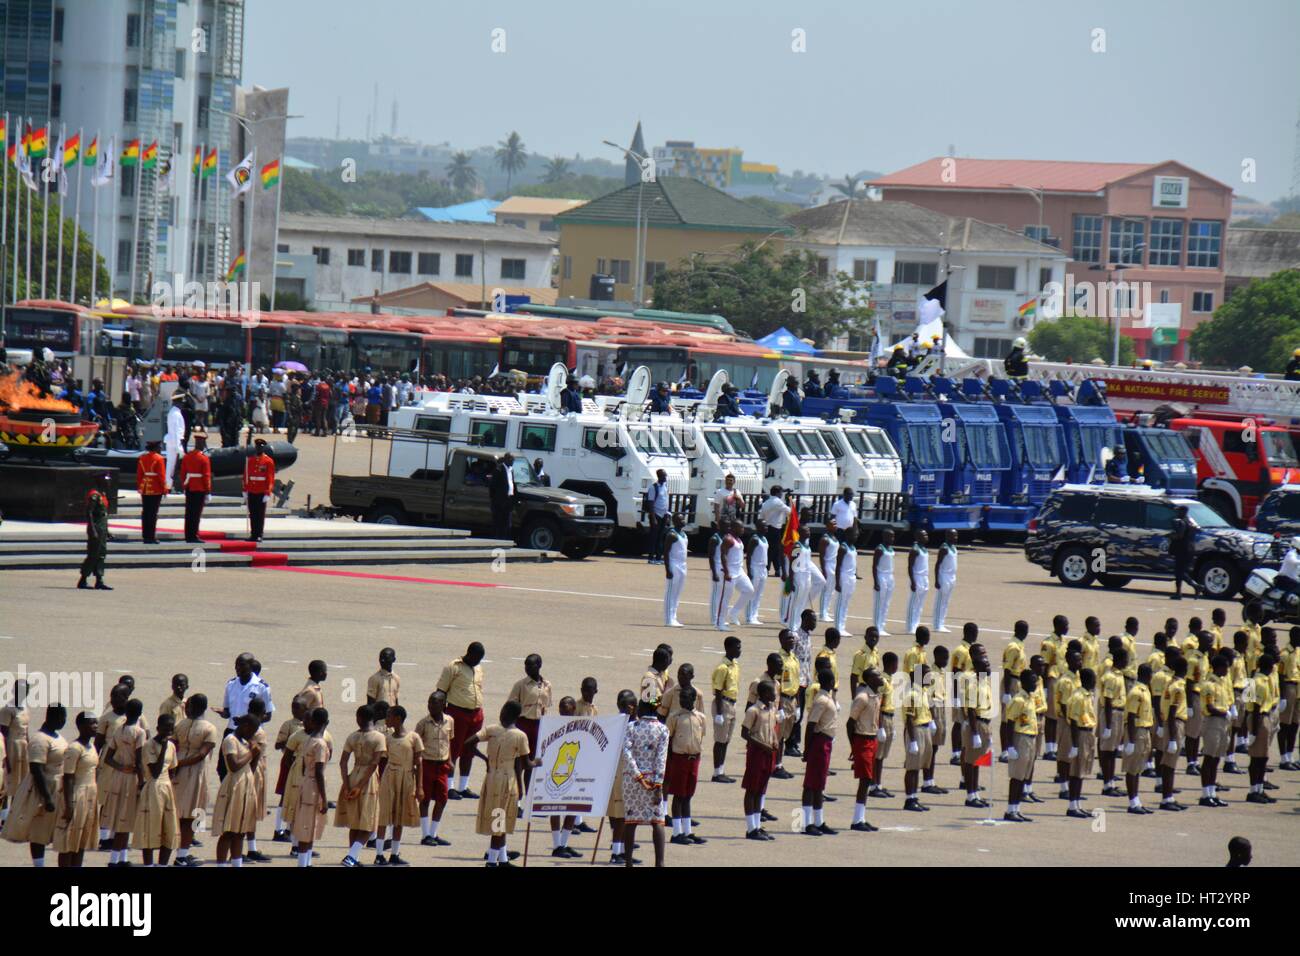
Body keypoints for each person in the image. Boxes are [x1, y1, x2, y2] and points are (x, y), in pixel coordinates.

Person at [1, 704, 67, 866]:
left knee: (50, 827)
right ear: (55, 717)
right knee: (39, 829)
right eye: (63, 718)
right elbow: (37, 769)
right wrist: (47, 797)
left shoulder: (56, 736)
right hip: (43, 787)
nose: (64, 721)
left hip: (57, 786)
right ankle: (39, 864)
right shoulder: (40, 739)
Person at [620, 693, 670, 868]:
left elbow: (626, 753)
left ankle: (628, 862)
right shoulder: (663, 730)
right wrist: (657, 783)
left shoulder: (631, 727)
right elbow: (661, 759)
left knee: (631, 820)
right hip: (653, 780)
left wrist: (638, 777)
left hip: (632, 780)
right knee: (657, 821)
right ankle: (660, 862)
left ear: (642, 709)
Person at [335, 704, 386, 867]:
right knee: (370, 822)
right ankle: (351, 856)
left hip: (354, 774)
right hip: (368, 780)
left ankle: (353, 856)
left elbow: (343, 762)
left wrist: (347, 784)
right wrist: (360, 786)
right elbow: (374, 763)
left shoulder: (352, 736)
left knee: (355, 821)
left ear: (359, 718)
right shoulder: (378, 737)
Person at [172, 694, 218, 866]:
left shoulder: (180, 725)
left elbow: (172, 745)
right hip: (196, 774)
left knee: (179, 812)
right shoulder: (210, 728)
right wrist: (181, 763)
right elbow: (201, 754)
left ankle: (179, 852)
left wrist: (175, 763)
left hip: (178, 772)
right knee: (193, 814)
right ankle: (182, 855)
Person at [436, 642, 485, 799]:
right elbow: (441, 691)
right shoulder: (453, 667)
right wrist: (441, 717)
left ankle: (463, 787)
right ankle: (449, 786)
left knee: (469, 750)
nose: (478, 661)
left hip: (476, 714)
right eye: (477, 658)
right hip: (457, 713)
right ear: (469, 654)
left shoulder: (478, 668)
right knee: (453, 750)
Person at [212, 714, 262, 866]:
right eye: (252, 730)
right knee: (228, 831)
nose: (252, 734)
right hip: (233, 787)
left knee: (240, 831)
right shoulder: (230, 740)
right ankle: (221, 864)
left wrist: (256, 756)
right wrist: (251, 753)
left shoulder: (245, 742)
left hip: (246, 787)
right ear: (245, 725)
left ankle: (237, 864)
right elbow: (233, 765)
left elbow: (250, 769)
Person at [375, 705, 422, 866]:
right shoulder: (387, 738)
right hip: (390, 777)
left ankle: (394, 853)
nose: (386, 720)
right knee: (384, 816)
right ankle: (379, 854)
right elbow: (381, 760)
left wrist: (420, 786)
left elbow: (419, 763)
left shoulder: (413, 737)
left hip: (406, 777)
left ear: (398, 718)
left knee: (399, 818)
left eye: (389, 716)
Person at [132, 714, 179, 867]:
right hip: (152, 788)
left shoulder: (172, 746)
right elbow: (155, 772)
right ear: (158, 728)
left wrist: (169, 784)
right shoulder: (149, 746)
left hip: (166, 788)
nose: (168, 732)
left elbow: (173, 768)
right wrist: (164, 748)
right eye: (165, 729)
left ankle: (163, 864)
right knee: (150, 827)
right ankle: (148, 864)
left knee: (169, 827)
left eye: (171, 729)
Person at [54, 712, 99, 868]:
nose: (96, 726)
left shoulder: (91, 746)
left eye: (96, 722)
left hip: (90, 796)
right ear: (81, 726)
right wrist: (69, 804)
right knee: (68, 840)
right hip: (76, 796)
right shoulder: (74, 748)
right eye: (92, 723)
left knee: (81, 841)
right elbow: (68, 777)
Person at [665, 687, 707, 845]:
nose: (683, 701)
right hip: (679, 759)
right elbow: (668, 740)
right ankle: (676, 832)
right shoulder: (674, 717)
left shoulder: (701, 717)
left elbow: (700, 737)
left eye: (687, 699)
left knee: (688, 795)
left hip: (694, 759)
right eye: (682, 698)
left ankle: (687, 830)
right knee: (678, 795)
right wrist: (670, 760)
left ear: (694, 699)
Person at [740, 679, 781, 840]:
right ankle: (750, 828)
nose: (774, 694)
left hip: (768, 752)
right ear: (764, 693)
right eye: (772, 692)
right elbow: (745, 733)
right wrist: (762, 745)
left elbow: (772, 729)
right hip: (757, 752)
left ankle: (757, 826)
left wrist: (775, 743)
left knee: (761, 789)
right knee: (752, 789)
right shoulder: (753, 710)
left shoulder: (772, 709)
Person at [801, 665, 838, 835]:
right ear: (830, 682)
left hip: (825, 743)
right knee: (811, 784)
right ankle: (806, 823)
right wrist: (807, 750)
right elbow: (811, 725)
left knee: (819, 784)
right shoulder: (822, 700)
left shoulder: (826, 698)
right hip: (819, 743)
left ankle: (818, 821)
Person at [507, 654, 552, 792]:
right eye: (526, 665)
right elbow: (511, 706)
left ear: (539, 666)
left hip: (539, 726)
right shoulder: (520, 685)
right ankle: (517, 799)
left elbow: (547, 705)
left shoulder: (547, 685)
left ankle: (529, 799)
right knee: (519, 763)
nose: (527, 668)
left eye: (530, 665)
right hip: (523, 724)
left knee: (532, 763)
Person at [292, 708, 331, 867]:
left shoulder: (308, 739)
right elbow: (319, 772)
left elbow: (302, 766)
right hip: (314, 786)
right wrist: (325, 798)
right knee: (308, 827)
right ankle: (303, 863)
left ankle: (306, 862)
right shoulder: (321, 743)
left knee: (308, 825)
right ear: (327, 723)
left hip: (305, 782)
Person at [415, 692, 453, 847]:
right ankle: (425, 835)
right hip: (427, 764)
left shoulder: (449, 721)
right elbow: (415, 745)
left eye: (435, 703)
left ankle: (433, 833)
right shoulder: (423, 723)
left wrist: (450, 761)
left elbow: (448, 742)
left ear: (443, 705)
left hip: (442, 765)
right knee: (424, 799)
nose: (431, 706)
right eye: (429, 703)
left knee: (442, 799)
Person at [847, 667, 883, 832]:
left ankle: (861, 817)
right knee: (865, 779)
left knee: (868, 779)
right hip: (862, 740)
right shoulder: (862, 697)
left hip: (872, 739)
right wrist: (854, 746)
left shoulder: (876, 696)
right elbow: (850, 723)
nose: (881, 677)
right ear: (869, 680)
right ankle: (857, 820)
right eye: (877, 675)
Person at [1003, 670, 1038, 822]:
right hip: (1020, 738)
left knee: (1024, 775)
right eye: (1032, 681)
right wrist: (1009, 746)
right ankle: (1010, 810)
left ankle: (1017, 809)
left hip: (1030, 738)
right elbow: (1009, 723)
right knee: (1017, 777)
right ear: (1023, 682)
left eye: (1036, 681)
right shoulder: (1018, 699)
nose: (1035, 684)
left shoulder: (1030, 698)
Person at [1065, 668, 1098, 819]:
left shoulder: (1087, 695)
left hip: (1088, 733)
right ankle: (1072, 805)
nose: (1095, 682)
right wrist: (1075, 745)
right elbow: (1073, 721)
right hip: (1081, 734)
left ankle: (1077, 803)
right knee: (1076, 771)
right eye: (1093, 679)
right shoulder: (1078, 697)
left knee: (1082, 771)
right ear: (1088, 680)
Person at [901, 663, 933, 812]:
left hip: (924, 729)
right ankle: (909, 799)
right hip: (916, 731)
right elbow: (909, 719)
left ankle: (914, 797)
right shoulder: (912, 694)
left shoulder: (923, 691)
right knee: (912, 767)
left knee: (919, 766)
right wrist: (912, 740)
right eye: (927, 674)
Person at [711, 636, 742, 782]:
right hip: (722, 704)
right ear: (728, 648)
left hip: (732, 704)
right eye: (737, 647)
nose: (739, 650)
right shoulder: (722, 668)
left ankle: (721, 770)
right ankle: (717, 772)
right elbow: (718, 690)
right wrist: (718, 713)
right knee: (720, 740)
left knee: (726, 740)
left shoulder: (735, 665)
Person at [77, 483, 112, 591]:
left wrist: (107, 531)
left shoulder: (102, 494)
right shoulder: (94, 495)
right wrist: (93, 529)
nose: (108, 482)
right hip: (96, 527)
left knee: (101, 554)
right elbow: (89, 512)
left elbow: (103, 515)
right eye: (105, 480)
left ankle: (99, 580)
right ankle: (83, 579)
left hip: (102, 527)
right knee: (93, 554)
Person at [179, 429, 212, 543]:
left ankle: (188, 534)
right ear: (201, 444)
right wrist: (208, 491)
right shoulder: (204, 458)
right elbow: (206, 476)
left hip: (189, 487)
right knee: (196, 513)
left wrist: (184, 486)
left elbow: (182, 474)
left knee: (189, 512)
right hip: (199, 488)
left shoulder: (187, 456)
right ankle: (194, 535)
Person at [243, 437, 275, 543]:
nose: (259, 449)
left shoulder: (268, 461)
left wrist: (268, 492)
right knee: (252, 513)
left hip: (262, 491)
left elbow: (270, 478)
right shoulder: (251, 460)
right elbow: (246, 476)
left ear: (263, 448)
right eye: (257, 447)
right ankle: (253, 534)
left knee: (260, 514)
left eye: (261, 447)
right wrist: (245, 489)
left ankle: (259, 534)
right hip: (252, 490)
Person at [724, 520, 755, 626]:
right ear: (733, 528)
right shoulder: (728, 539)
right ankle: (721, 619)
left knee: (749, 590)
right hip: (731, 571)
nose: (743, 529)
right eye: (740, 527)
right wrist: (726, 571)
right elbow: (723, 555)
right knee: (727, 596)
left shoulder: (739, 539)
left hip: (739, 570)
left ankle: (733, 613)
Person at [137, 439, 168, 544]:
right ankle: (151, 536)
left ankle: (146, 535)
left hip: (145, 487)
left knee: (145, 512)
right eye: (159, 447)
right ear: (155, 448)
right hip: (155, 488)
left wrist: (140, 487)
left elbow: (140, 475)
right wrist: (164, 489)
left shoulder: (142, 458)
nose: (160, 449)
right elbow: (161, 476)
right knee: (153, 513)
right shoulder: (159, 459)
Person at [662, 514, 688, 627]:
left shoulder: (684, 534)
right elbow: (666, 553)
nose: (683, 520)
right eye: (681, 519)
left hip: (683, 565)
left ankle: (674, 617)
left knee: (677, 593)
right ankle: (668, 619)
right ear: (675, 521)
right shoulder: (671, 535)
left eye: (684, 518)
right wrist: (668, 569)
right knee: (671, 592)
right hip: (674, 565)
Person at [759, 486, 790, 578]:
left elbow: (761, 517)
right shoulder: (778, 502)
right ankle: (768, 568)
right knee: (774, 550)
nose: (781, 494)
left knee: (773, 550)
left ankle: (777, 569)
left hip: (767, 528)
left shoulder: (765, 503)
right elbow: (789, 511)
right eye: (781, 492)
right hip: (775, 529)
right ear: (777, 493)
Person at [931, 529, 958, 633]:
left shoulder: (954, 548)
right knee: (940, 601)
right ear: (947, 536)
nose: (956, 538)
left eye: (956, 535)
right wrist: (937, 580)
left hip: (952, 577)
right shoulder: (944, 548)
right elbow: (937, 564)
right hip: (944, 577)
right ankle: (937, 625)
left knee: (946, 601)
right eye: (953, 536)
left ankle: (942, 623)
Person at [744, 519, 770, 625]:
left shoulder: (764, 538)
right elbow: (748, 555)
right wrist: (749, 571)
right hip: (755, 568)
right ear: (758, 527)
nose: (766, 528)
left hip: (763, 568)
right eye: (764, 526)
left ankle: (755, 615)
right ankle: (749, 616)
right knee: (752, 593)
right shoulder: (754, 539)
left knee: (759, 594)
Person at [833, 527, 858, 633]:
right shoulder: (843, 548)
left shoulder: (853, 547)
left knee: (846, 603)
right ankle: (838, 627)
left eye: (856, 535)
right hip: (844, 577)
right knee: (840, 602)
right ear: (848, 535)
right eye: (854, 534)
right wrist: (837, 582)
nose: (856, 536)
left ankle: (842, 626)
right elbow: (838, 566)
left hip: (851, 577)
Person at [905, 529, 929, 635]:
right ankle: (910, 626)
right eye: (924, 535)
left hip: (924, 578)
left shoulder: (924, 549)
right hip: (917, 578)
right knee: (913, 603)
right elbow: (910, 566)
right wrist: (913, 581)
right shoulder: (915, 550)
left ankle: (916, 623)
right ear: (918, 537)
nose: (926, 536)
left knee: (920, 604)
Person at [1170, 504, 1197, 599]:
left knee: (1178, 572)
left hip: (1182, 549)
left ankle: (1179, 593)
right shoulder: (1191, 521)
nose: (1177, 513)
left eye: (1179, 511)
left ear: (1183, 511)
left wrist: (1171, 536)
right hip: (1190, 548)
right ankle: (1194, 587)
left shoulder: (1181, 521)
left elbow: (1180, 536)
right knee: (1181, 571)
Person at [645, 468, 670, 563]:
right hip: (656, 515)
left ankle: (659, 557)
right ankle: (651, 558)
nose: (665, 478)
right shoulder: (653, 487)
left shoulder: (665, 486)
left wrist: (667, 514)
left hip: (664, 514)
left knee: (661, 537)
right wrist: (653, 517)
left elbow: (666, 501)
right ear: (659, 476)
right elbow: (650, 503)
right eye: (664, 476)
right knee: (654, 537)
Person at [489, 453, 516, 541]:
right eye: (512, 459)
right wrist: (495, 498)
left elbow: (512, 483)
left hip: (509, 499)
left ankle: (504, 539)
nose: (513, 461)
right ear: (506, 459)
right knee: (498, 520)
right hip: (500, 500)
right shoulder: (499, 469)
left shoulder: (511, 470)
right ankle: (497, 538)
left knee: (507, 521)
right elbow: (493, 485)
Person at [165, 390, 187, 488]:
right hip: (174, 444)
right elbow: (177, 432)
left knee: (171, 465)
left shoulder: (173, 412)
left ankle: (169, 485)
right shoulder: (176, 414)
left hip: (172, 442)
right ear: (178, 402)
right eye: (181, 402)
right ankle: (169, 485)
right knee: (172, 466)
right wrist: (179, 447)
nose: (182, 404)